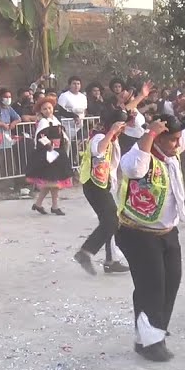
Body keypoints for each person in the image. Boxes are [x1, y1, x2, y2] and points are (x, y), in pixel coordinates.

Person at [114, 80, 185, 362]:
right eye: (171, 139)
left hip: (167, 232)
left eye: (177, 139)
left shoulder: (171, 149)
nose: (178, 144)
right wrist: (150, 133)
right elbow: (135, 170)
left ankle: (153, 329)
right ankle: (149, 342)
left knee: (171, 281)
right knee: (152, 286)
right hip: (138, 233)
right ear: (158, 138)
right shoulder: (140, 155)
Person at [74, 114, 130, 275]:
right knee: (112, 221)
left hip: (104, 184)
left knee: (110, 221)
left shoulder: (112, 139)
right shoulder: (99, 137)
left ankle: (111, 260)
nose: (122, 130)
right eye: (120, 126)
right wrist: (111, 132)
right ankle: (85, 252)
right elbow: (98, 151)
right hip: (93, 184)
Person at [25, 96, 73, 215]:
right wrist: (49, 145)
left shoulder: (56, 120)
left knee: (50, 183)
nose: (48, 110)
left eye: (49, 108)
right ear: (41, 111)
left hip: (58, 153)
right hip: (48, 154)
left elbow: (62, 135)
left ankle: (38, 204)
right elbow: (41, 137)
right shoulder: (43, 122)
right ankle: (54, 206)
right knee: (54, 183)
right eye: (44, 109)